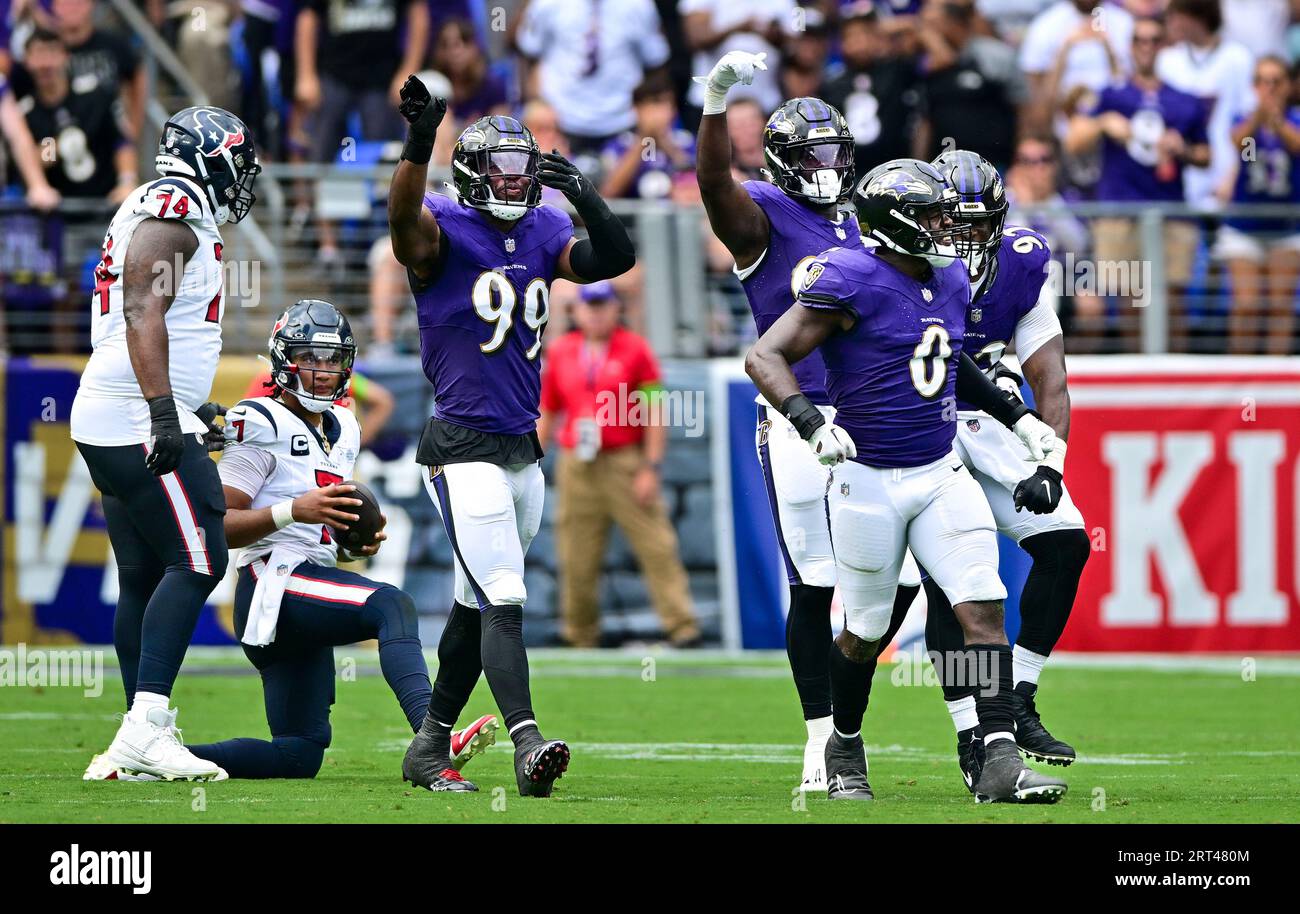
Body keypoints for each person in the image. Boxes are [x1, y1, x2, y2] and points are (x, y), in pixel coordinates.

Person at [744, 157, 1069, 803]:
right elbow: (765, 355)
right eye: (931, 214)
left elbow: (952, 358)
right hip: (866, 480)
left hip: (940, 471)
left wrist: (1021, 419)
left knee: (982, 605)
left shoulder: (949, 276)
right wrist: (810, 423)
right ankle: (844, 741)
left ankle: (998, 756)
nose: (946, 225)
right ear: (895, 225)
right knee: (865, 632)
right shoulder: (849, 278)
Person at [386, 77, 635, 797]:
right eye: (501, 169)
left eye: (524, 171)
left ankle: (429, 748)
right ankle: (528, 742)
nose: (515, 182)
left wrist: (583, 192)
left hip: (522, 448)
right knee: (504, 595)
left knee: (473, 604)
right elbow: (402, 216)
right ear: (470, 174)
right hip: (462, 444)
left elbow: (612, 260)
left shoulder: (542, 229)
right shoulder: (438, 226)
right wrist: (418, 141)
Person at [693, 49, 921, 794]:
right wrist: (716, 102)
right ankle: (820, 742)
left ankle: (848, 711)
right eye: (813, 153)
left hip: (871, 413)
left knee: (905, 579)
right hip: (797, 414)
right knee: (814, 584)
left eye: (835, 150)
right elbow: (711, 184)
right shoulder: (762, 216)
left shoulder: (865, 218)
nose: (827, 164)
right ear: (786, 161)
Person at [185, 300, 498, 790]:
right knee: (392, 606)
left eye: (334, 359)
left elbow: (321, 528)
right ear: (284, 359)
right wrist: (295, 510)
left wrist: (353, 545)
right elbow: (216, 527)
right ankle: (432, 741)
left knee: (298, 754)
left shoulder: (345, 427)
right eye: (311, 357)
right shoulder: (259, 419)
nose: (324, 371)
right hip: (269, 581)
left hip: (305, 582)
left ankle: (160, 759)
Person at [73, 106, 261, 782]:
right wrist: (162, 411)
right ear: (209, 156)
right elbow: (140, 309)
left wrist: (180, 401)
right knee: (201, 556)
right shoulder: (173, 210)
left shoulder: (154, 205)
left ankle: (136, 734)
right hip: (132, 410)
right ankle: (146, 727)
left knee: (143, 575)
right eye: (236, 158)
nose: (244, 173)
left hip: (115, 406)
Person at [928, 149, 1091, 793]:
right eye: (953, 224)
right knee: (950, 577)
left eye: (978, 224)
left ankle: (1019, 693)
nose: (965, 240)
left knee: (1066, 543)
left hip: (998, 428)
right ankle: (971, 728)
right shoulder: (902, 261)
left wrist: (1051, 458)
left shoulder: (1022, 262)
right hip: (921, 427)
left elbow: (1050, 374)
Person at [538, 281, 701, 648]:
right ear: (576, 311)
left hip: (625, 461)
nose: (596, 312)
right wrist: (532, 458)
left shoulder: (636, 349)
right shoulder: (562, 351)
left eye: (602, 305)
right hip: (577, 464)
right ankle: (579, 633)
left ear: (615, 309)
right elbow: (548, 410)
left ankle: (682, 626)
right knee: (575, 551)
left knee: (656, 544)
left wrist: (650, 467)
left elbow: (654, 411)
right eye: (589, 305)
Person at [1065, 15, 1210, 328]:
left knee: (1173, 303)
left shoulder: (1183, 99)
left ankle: (1176, 373)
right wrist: (1103, 123)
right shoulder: (1110, 95)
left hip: (1170, 212)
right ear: (1130, 47)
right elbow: (1073, 141)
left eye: (1154, 40)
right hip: (1121, 208)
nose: (1146, 47)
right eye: (1139, 40)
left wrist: (1181, 148)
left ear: (1163, 46)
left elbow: (1206, 155)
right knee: (1130, 301)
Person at [514, 0, 670, 161]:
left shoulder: (639, 4)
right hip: (562, 120)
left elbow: (656, 61)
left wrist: (649, 112)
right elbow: (529, 53)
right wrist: (533, 103)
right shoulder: (546, 3)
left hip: (622, 119)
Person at [1217, 55, 1300, 354]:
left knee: (1280, 306)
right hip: (1244, 227)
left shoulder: (1296, 120)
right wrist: (1260, 119)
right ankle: (1241, 375)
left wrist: (1278, 123)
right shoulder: (1243, 119)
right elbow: (1240, 144)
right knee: (1246, 304)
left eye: (1276, 81)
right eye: (1263, 82)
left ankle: (1274, 377)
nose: (1270, 88)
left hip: (1286, 227)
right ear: (1254, 86)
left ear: (1288, 85)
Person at [16, 28, 135, 203]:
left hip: (105, 203)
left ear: (66, 56)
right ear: (27, 61)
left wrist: (127, 181)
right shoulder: (25, 111)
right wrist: (57, 147)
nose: (45, 63)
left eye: (52, 53)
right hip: (56, 210)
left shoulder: (95, 95)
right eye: (38, 54)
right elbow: (26, 161)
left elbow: (121, 141)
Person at [1156, 0, 1255, 209]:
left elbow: (1250, 126)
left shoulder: (1238, 58)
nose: (1170, 22)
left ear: (1196, 16)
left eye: (1176, 15)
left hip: (1227, 172)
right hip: (1182, 176)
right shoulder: (1167, 60)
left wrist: (1240, 172)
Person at [819, 2, 922, 180]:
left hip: (896, 173)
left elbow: (919, 31)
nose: (860, 42)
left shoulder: (896, 71)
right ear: (842, 43)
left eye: (865, 34)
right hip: (850, 177)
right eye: (852, 36)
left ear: (878, 37)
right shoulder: (831, 83)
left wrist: (884, 28)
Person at [599, 72, 696, 200]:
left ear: (673, 110)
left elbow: (695, 189)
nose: (657, 113)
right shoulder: (619, 145)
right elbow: (608, 193)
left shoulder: (687, 142)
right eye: (652, 104)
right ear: (636, 109)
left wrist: (666, 144)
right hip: (629, 219)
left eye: (664, 104)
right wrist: (643, 141)